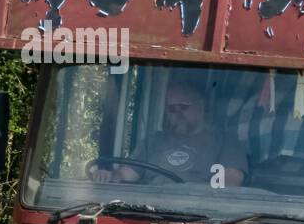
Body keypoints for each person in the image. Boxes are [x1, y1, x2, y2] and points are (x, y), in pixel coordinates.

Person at [92, 78, 246, 186]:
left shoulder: (225, 142)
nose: (177, 114)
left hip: (199, 215)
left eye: (183, 107)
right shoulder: (154, 141)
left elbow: (231, 182)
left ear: (201, 107)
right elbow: (127, 173)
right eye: (172, 109)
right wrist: (111, 175)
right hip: (151, 211)